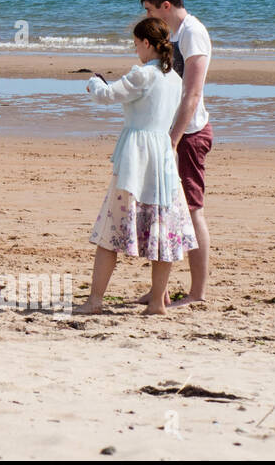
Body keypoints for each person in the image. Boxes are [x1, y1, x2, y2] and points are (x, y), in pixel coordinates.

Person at [76, 17, 197, 316]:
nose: (135, 50)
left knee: (111, 230)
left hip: (137, 156)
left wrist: (93, 82)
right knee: (162, 229)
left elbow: (107, 95)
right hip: (162, 154)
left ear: (146, 43)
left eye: (136, 44)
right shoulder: (174, 79)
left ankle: (95, 301)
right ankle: (157, 302)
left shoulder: (142, 75)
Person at [140, 0, 213, 307]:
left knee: (192, 210)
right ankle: (160, 290)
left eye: (150, 10)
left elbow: (192, 94)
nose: (147, 18)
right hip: (166, 132)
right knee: (161, 211)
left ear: (165, 6)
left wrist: (173, 139)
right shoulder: (172, 34)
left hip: (189, 134)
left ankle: (197, 293)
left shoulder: (193, 33)